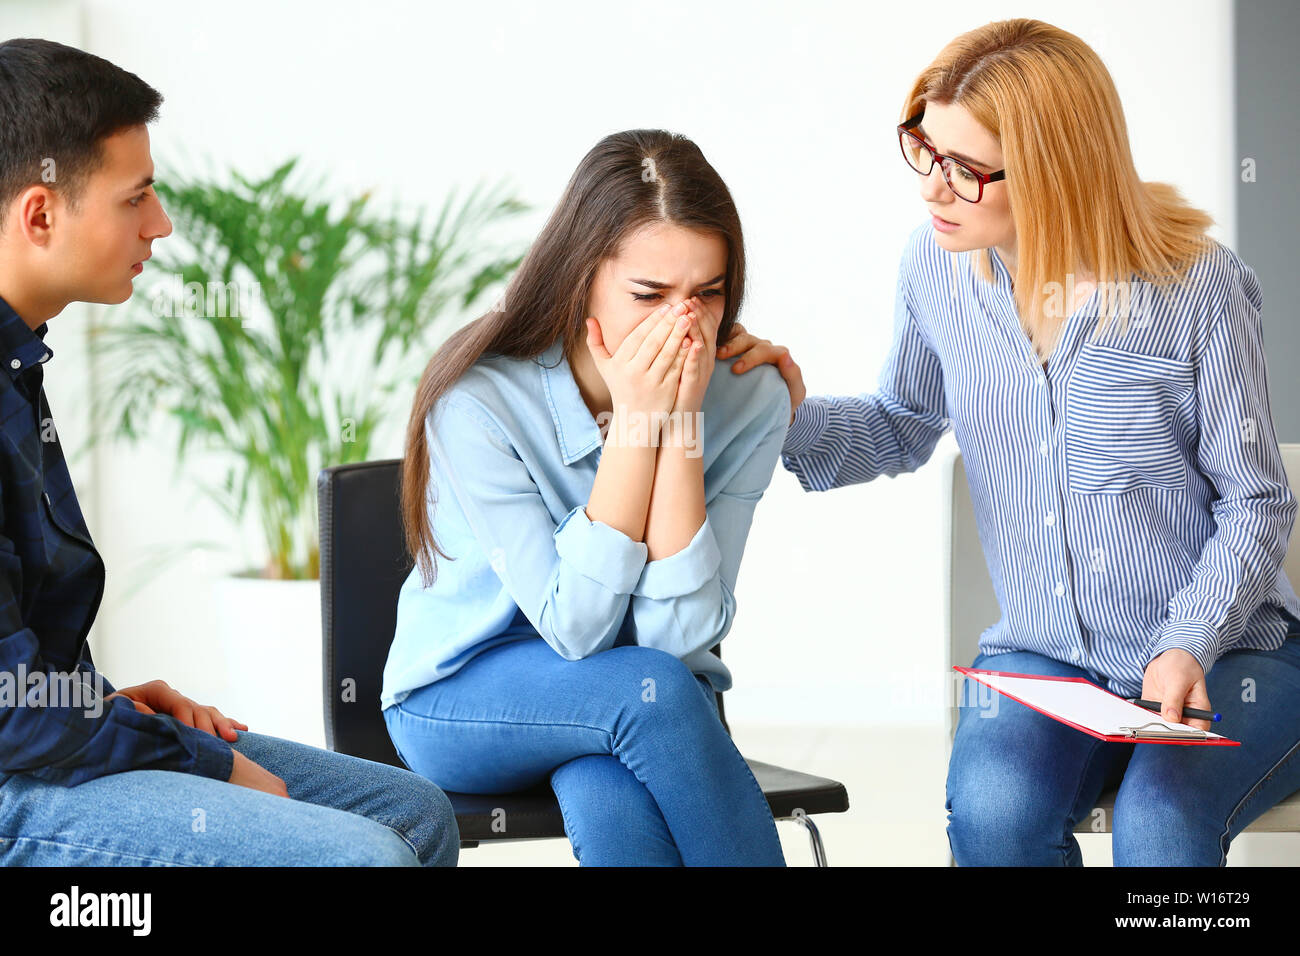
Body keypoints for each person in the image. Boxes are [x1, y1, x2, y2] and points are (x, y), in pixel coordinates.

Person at [717, 18, 1300, 866]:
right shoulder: (934, 268)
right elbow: (902, 424)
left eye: (965, 169)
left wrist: (1186, 642)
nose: (932, 190)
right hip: (1047, 656)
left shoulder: (1201, 287)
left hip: (1234, 654)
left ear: (1058, 170)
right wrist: (775, 408)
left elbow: (1257, 500)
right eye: (924, 149)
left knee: (1161, 827)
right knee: (994, 818)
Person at [0, 38, 458, 866]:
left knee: (414, 813)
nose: (162, 223)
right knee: (366, 857)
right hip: (12, 782)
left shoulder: (18, 365)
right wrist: (204, 760)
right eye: (135, 197)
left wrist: (107, 707)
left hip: (33, 739)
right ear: (41, 213)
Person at [382, 129, 790, 866]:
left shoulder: (751, 396)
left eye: (707, 294)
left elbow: (678, 638)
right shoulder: (479, 401)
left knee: (613, 788)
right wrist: (639, 425)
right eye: (649, 294)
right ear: (581, 277)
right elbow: (576, 628)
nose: (683, 325)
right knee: (650, 696)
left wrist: (683, 426)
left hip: (630, 702)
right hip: (465, 696)